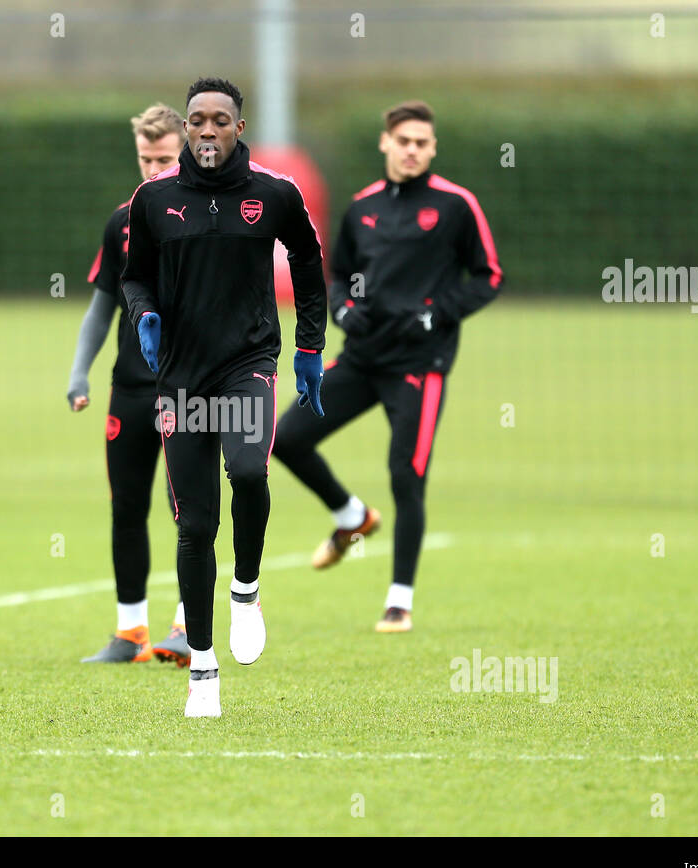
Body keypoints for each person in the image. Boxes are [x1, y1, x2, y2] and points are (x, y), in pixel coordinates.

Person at [121, 77, 327, 717]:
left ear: (240, 126)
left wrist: (310, 348)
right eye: (196, 121)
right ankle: (202, 674)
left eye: (219, 120)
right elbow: (134, 278)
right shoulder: (155, 200)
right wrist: (145, 315)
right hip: (182, 378)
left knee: (247, 470)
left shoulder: (274, 194)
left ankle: (245, 589)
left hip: (249, 363)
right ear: (185, 128)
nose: (206, 130)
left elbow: (311, 267)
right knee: (195, 528)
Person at [272, 100, 503, 633]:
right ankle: (351, 517)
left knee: (407, 473)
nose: (412, 150)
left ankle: (399, 600)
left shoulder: (456, 206)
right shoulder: (362, 208)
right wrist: (345, 310)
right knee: (283, 439)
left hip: (420, 366)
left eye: (422, 143)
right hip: (361, 359)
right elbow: (337, 276)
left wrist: (436, 314)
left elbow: (489, 276)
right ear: (386, 143)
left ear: (433, 148)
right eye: (404, 141)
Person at [68, 103, 191, 666]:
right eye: (146, 159)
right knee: (126, 509)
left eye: (164, 159)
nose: (154, 170)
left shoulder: (208, 218)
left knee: (189, 509)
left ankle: (189, 626)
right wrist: (79, 373)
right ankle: (131, 633)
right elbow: (101, 308)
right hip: (130, 390)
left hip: (188, 389)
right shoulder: (121, 222)